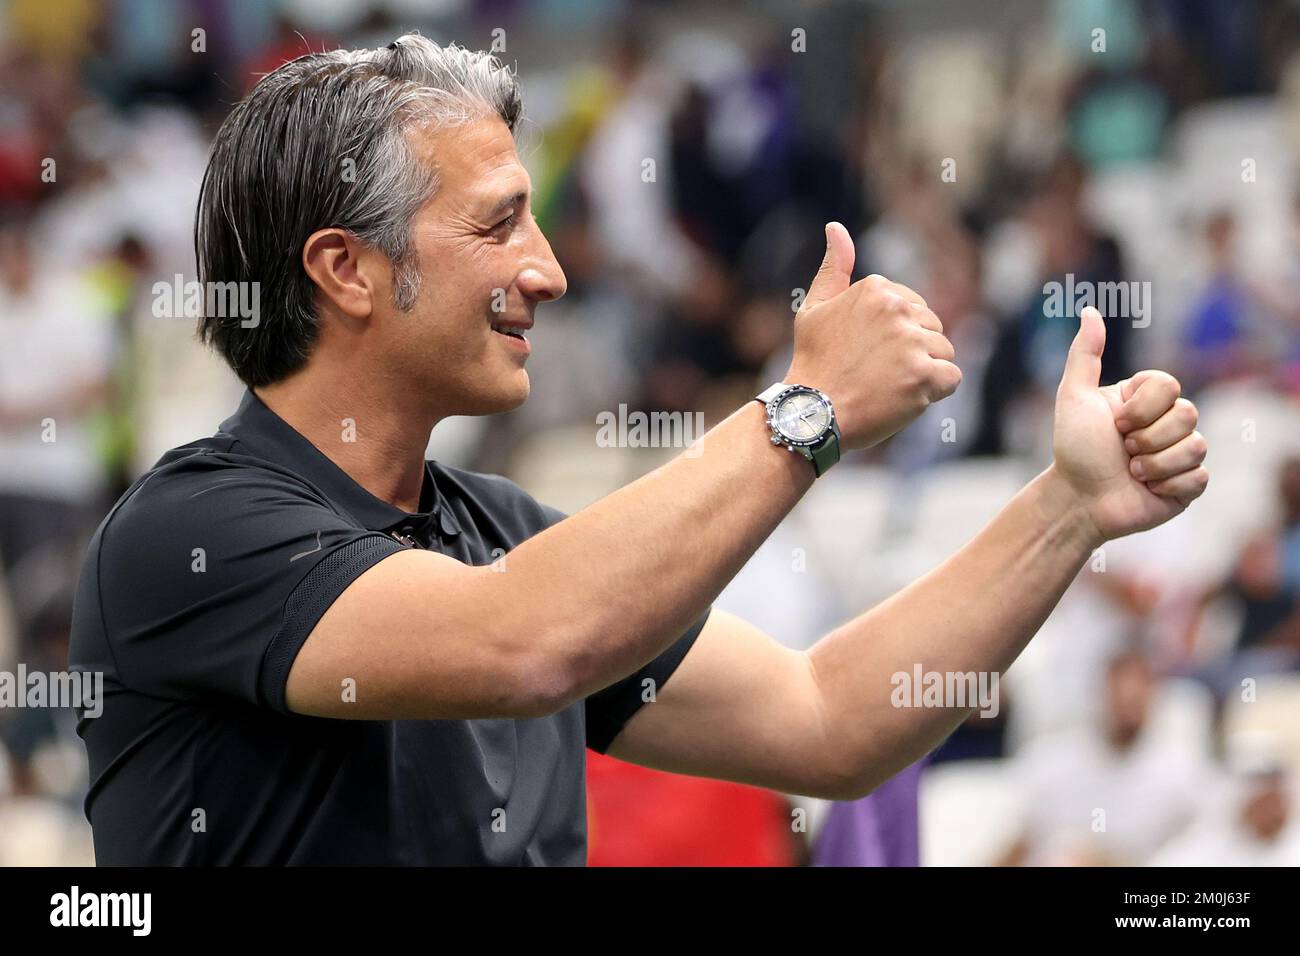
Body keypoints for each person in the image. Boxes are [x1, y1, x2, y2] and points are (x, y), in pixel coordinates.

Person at [68, 35, 1210, 865]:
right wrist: (804, 406)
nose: (549, 268)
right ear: (344, 269)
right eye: (497, 220)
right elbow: (527, 643)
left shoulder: (507, 535)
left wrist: (1069, 504)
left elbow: (829, 717)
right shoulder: (190, 534)